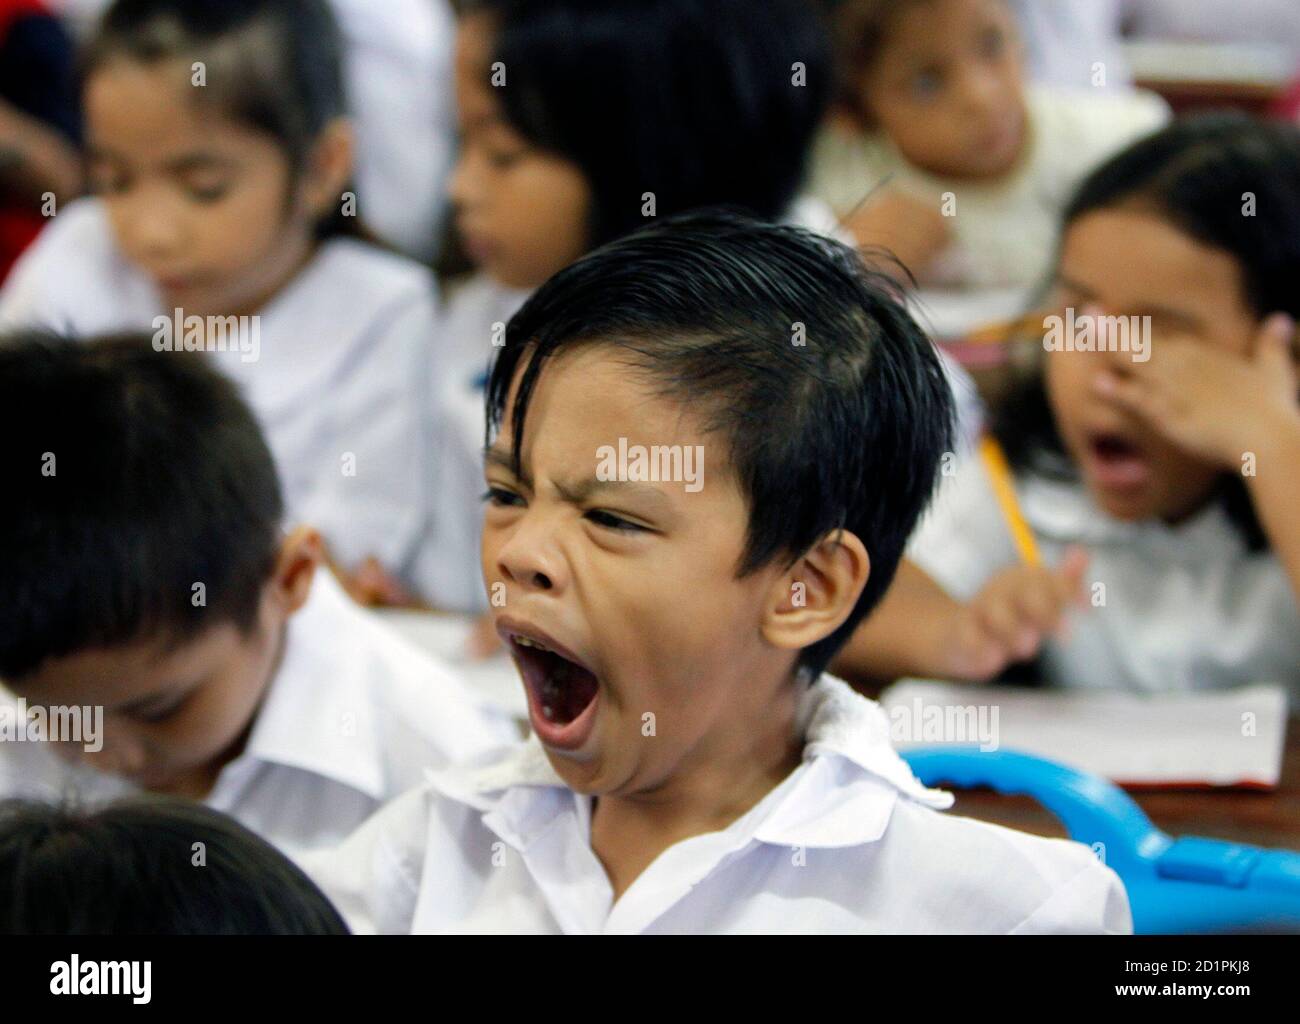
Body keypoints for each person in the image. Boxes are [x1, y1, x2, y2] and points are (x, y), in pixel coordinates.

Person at [307, 211, 1130, 934]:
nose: (521, 552)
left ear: (808, 588)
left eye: (612, 518)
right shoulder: (425, 857)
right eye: (506, 492)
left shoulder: (1002, 911)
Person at [0, 331, 515, 860]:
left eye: (159, 709)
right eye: (52, 713)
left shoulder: (444, 777)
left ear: (289, 577)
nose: (103, 753)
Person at [833, 114, 1300, 695]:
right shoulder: (1032, 477)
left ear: (1283, 352)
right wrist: (959, 630)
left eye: (1155, 332)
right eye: (1078, 318)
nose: (1102, 367)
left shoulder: (1284, 469)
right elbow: (856, 607)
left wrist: (1275, 446)